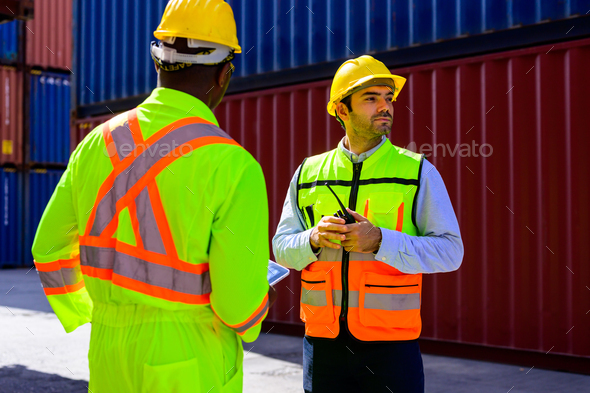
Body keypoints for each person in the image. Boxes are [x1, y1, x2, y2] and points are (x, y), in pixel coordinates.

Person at [31, 1, 275, 391]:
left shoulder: (95, 143)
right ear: (224, 72)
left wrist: (96, 312)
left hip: (109, 351)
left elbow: (47, 247)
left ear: (157, 61)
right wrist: (260, 307)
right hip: (190, 356)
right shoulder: (232, 164)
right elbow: (239, 308)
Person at [272, 55, 464, 393]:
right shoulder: (308, 173)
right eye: (371, 98)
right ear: (341, 110)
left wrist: (379, 240)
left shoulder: (416, 171)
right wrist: (314, 239)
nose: (385, 107)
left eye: (388, 98)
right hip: (322, 345)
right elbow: (282, 249)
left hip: (391, 349)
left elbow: (450, 252)